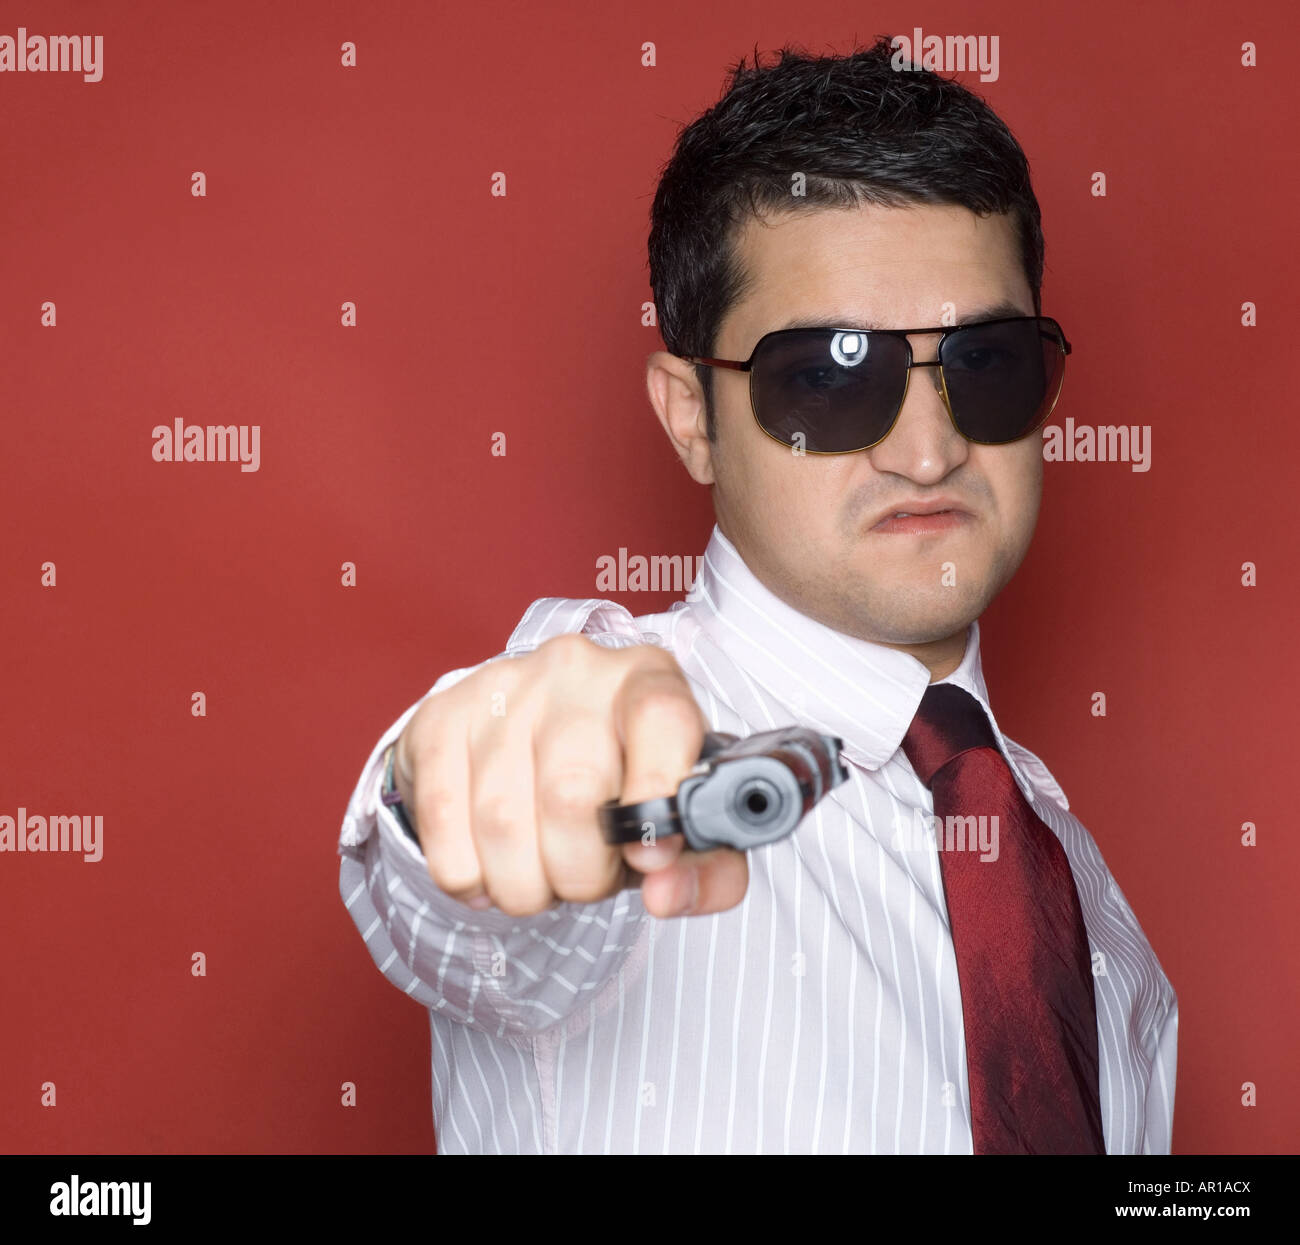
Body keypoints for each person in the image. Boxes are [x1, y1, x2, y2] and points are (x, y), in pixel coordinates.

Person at [337, 36, 1176, 1155]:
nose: (926, 451)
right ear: (691, 415)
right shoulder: (639, 749)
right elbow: (474, 864)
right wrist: (460, 773)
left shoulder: (1066, 871)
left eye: (982, 364)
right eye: (829, 374)